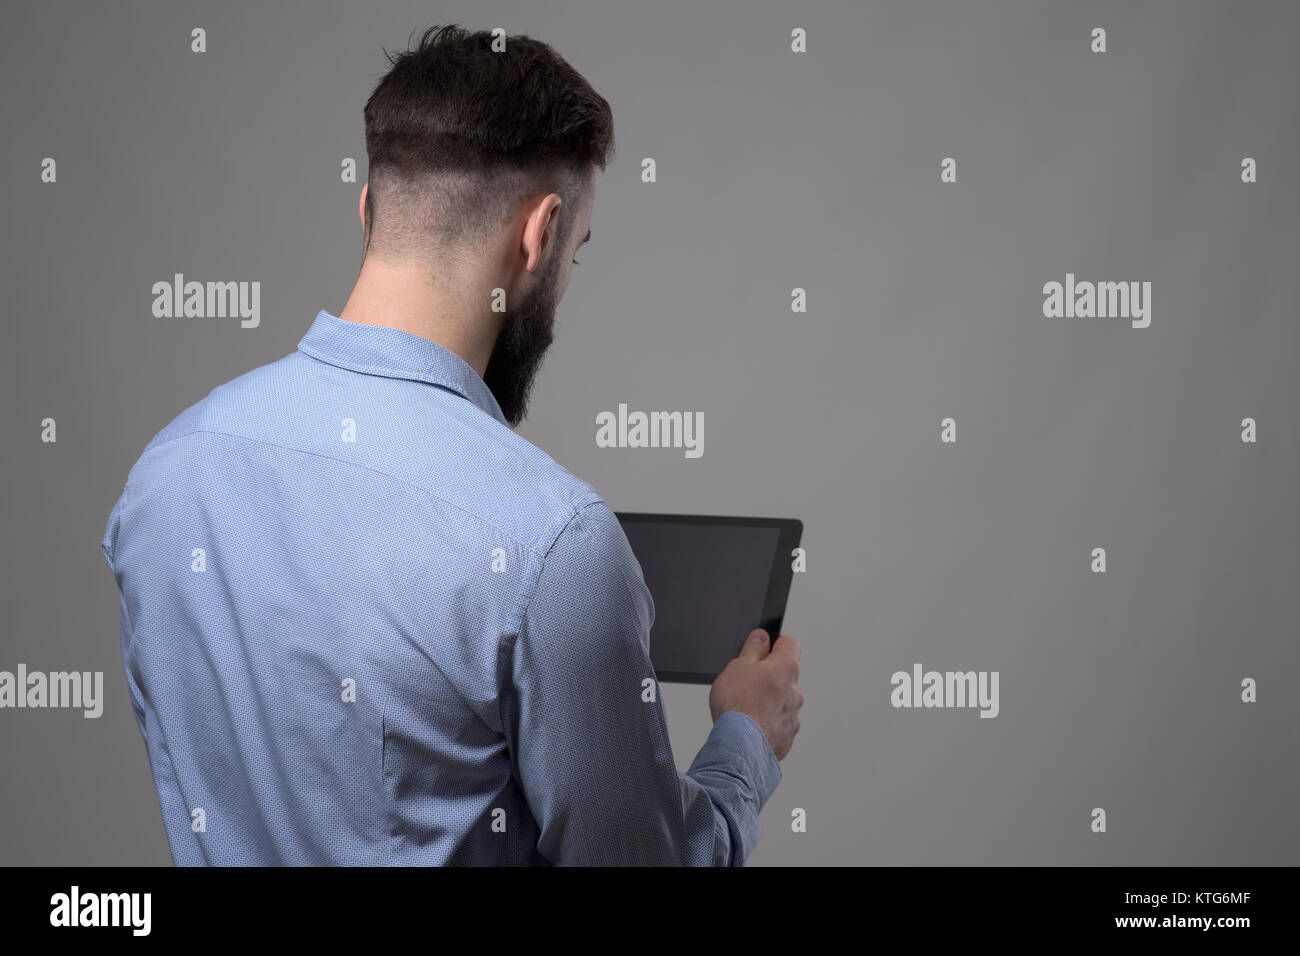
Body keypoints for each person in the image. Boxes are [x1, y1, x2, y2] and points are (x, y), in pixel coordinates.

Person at [101, 23, 802, 866]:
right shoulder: (554, 543)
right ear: (539, 235)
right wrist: (746, 745)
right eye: (577, 252)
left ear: (369, 212)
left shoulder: (167, 473)